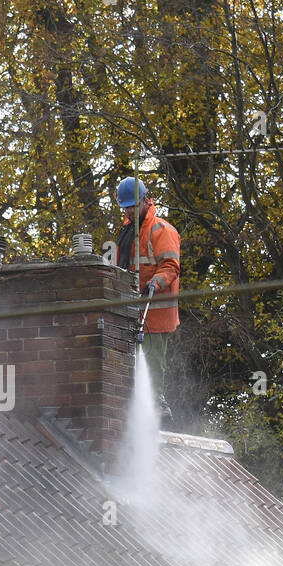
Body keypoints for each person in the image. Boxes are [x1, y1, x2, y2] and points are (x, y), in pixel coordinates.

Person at [113, 177, 180, 417]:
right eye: (125, 207)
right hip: (134, 308)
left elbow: (171, 266)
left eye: (132, 205)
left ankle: (156, 403)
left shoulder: (161, 230)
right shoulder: (128, 232)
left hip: (156, 309)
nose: (129, 211)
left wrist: (155, 283)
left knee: (151, 357)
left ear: (144, 201)